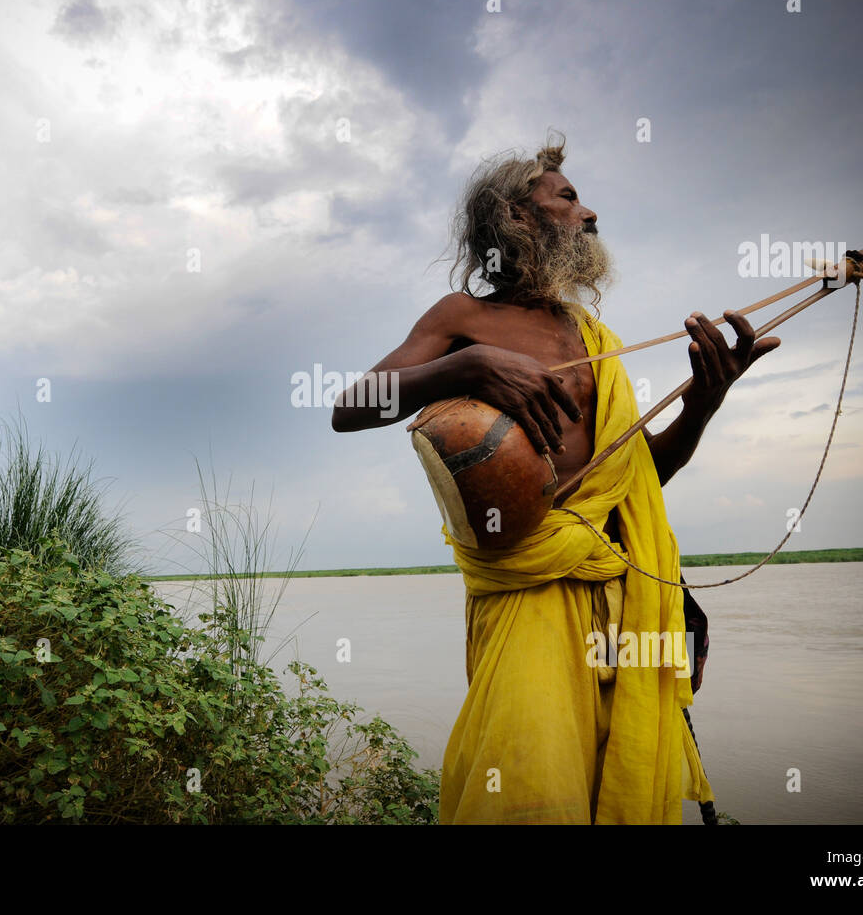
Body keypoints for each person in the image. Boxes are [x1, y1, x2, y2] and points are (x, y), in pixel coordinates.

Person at [331, 134, 780, 823]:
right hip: (526, 597)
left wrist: (703, 403)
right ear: (516, 215)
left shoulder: (591, 332)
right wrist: (467, 366)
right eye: (568, 197)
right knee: (528, 788)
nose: (588, 212)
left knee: (615, 787)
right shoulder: (463, 317)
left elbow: (637, 477)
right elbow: (349, 406)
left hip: (621, 602)